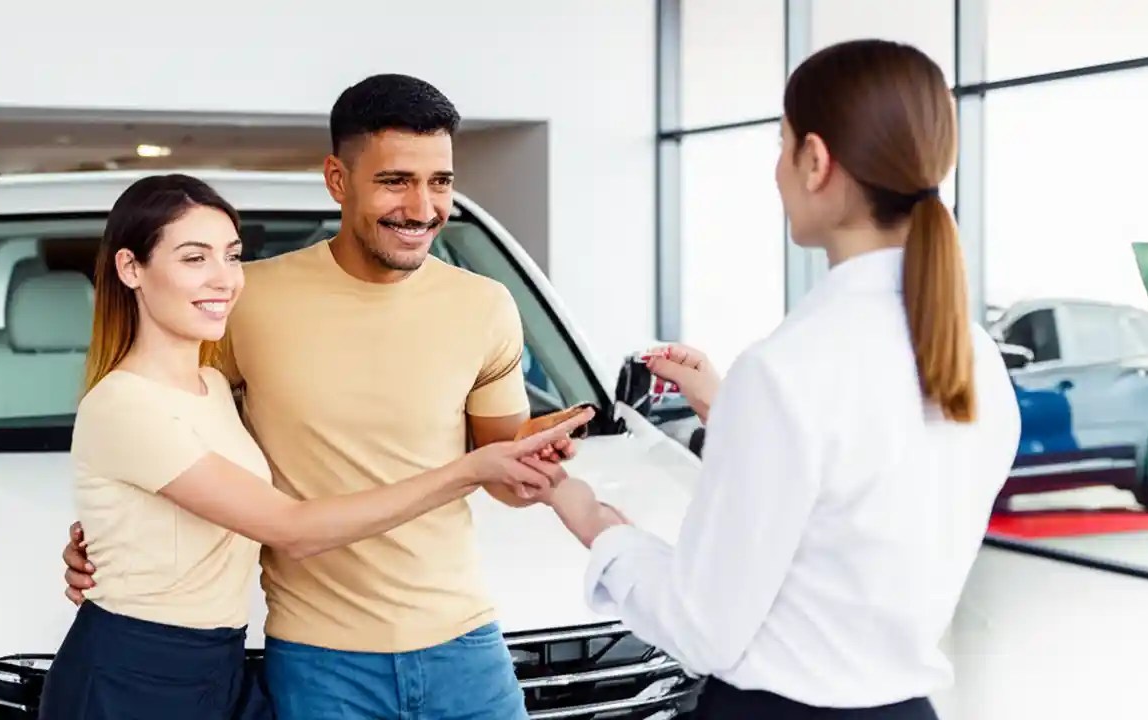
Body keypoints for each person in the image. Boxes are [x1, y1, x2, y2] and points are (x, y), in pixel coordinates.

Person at [62, 75, 584, 719]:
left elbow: (505, 476)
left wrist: (535, 455)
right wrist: (108, 537)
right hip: (317, 657)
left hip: (465, 643)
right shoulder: (245, 302)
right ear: (338, 179)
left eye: (441, 181)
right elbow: (155, 416)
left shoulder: (485, 306)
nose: (422, 207)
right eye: (395, 180)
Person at [546, 39, 1021, 719]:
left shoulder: (788, 371)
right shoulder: (972, 357)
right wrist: (729, 407)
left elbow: (700, 628)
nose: (777, 169)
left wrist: (594, 521)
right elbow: (862, 498)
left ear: (816, 161)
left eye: (781, 144)